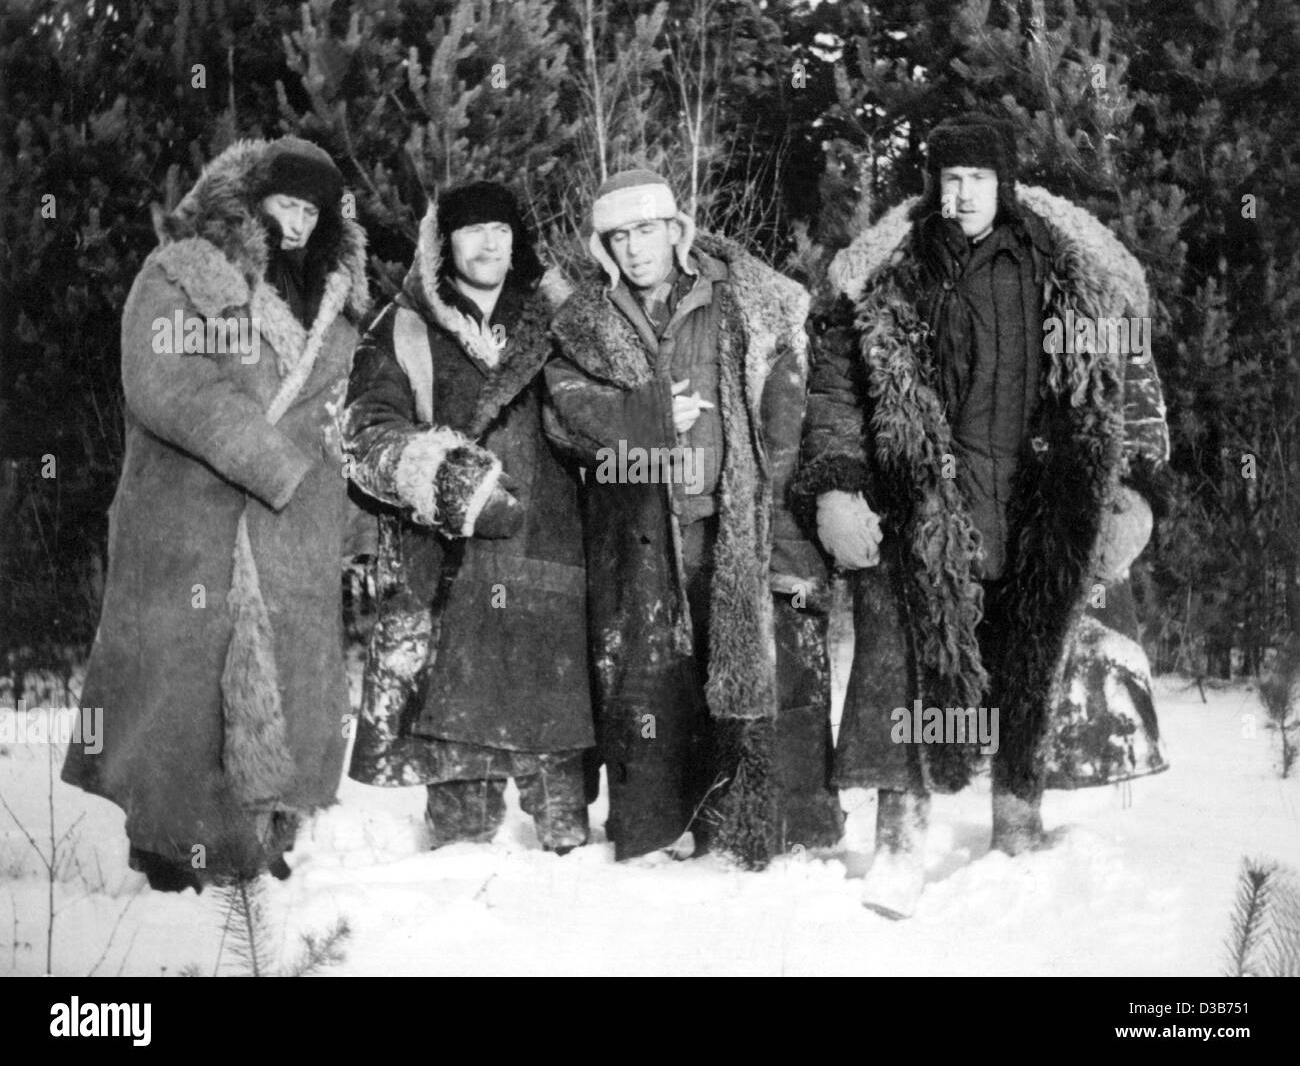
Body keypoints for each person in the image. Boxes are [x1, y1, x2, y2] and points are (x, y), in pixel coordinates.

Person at [796, 113, 1171, 917]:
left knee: (1028, 660)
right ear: (933, 184)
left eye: (978, 179)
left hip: (1035, 503)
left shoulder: (1067, 269)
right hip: (920, 503)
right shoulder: (886, 275)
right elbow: (835, 395)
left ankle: (1019, 825)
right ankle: (901, 839)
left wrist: (1132, 494)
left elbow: (1128, 393)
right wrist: (836, 485)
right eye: (950, 179)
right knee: (902, 662)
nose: (962, 195)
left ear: (1004, 182)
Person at [62, 136, 371, 892]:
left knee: (289, 682)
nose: (295, 224)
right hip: (188, 517)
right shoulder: (185, 269)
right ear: (250, 198)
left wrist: (349, 515)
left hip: (292, 527)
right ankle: (170, 851)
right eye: (283, 204)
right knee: (183, 691)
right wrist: (272, 461)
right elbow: (167, 383)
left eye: (310, 210)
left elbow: (342, 410)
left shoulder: (339, 299)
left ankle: (259, 837)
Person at [544, 169, 842, 866]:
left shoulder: (743, 296)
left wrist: (786, 517)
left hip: (730, 519)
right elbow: (565, 416)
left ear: (676, 230)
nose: (635, 249)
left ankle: (757, 821)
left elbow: (788, 416)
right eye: (619, 237)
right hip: (643, 529)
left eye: (646, 230)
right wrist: (644, 419)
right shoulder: (588, 320)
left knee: (743, 669)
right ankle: (671, 820)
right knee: (659, 682)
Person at [342, 182, 593, 853]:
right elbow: (365, 436)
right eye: (472, 230)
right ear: (441, 242)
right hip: (447, 575)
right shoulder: (404, 326)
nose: (489, 242)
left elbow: (614, 402)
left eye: (502, 229)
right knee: (459, 831)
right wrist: (450, 481)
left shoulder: (563, 319)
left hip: (554, 570)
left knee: (568, 831)